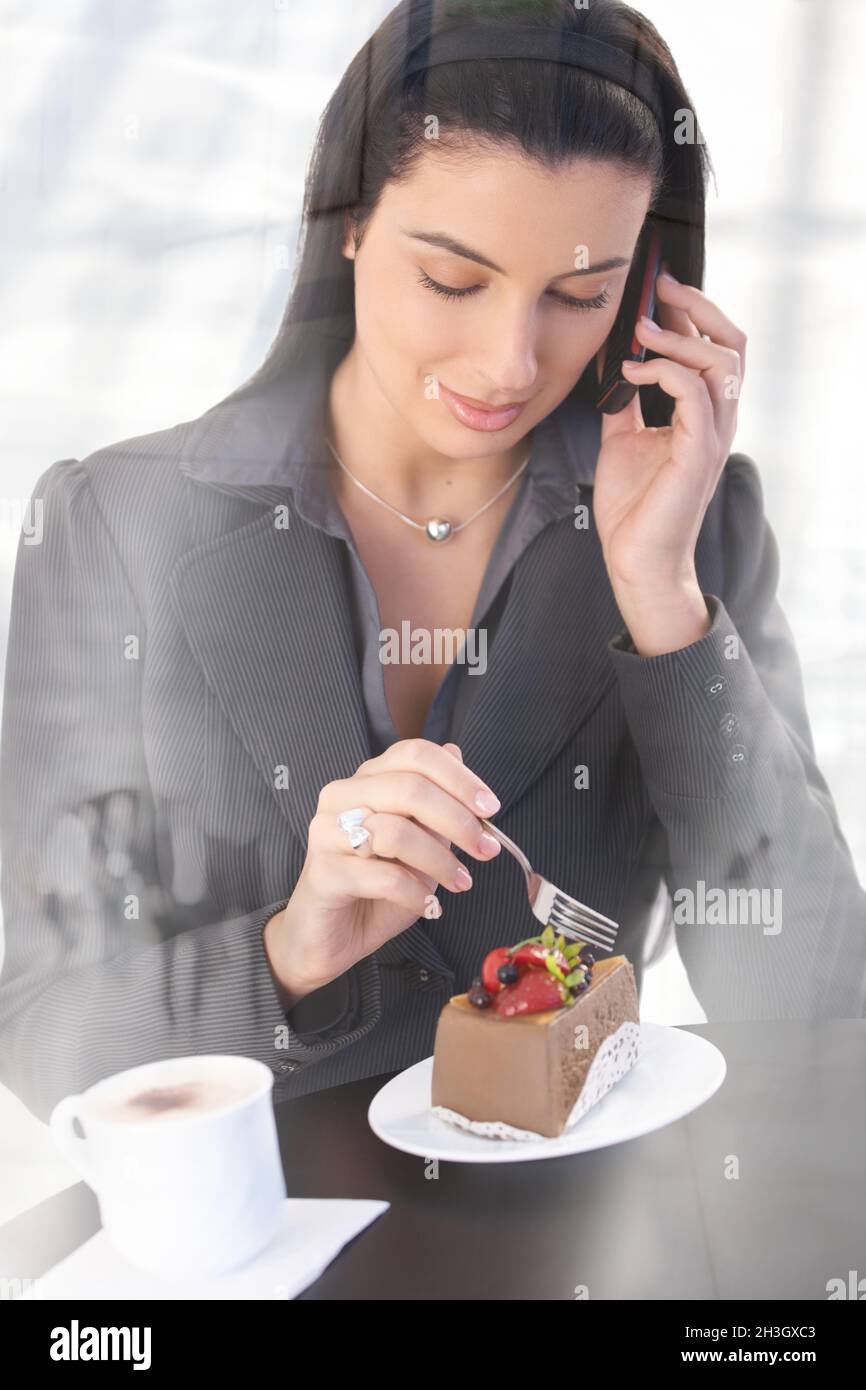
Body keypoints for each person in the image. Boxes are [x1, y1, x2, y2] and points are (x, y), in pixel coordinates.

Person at [2, 0, 864, 1125]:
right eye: (453, 281)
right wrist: (289, 950)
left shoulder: (693, 529)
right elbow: (38, 1029)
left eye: (578, 294)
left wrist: (661, 602)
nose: (508, 362)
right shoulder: (113, 524)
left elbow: (814, 1004)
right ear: (348, 220)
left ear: (647, 294)